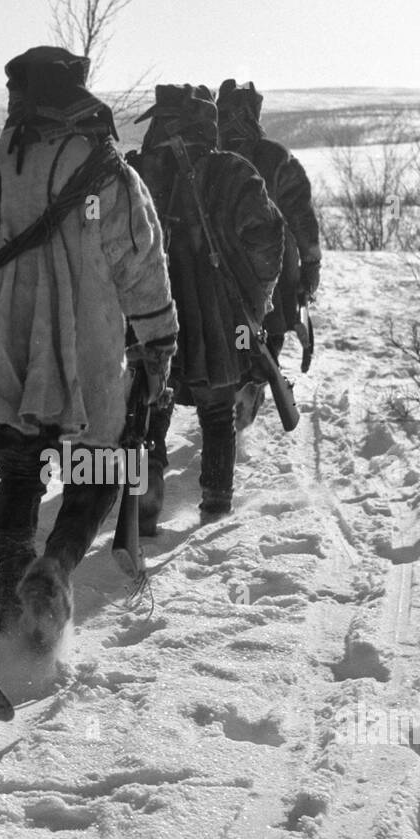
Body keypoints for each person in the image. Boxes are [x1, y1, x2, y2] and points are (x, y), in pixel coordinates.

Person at [0, 46, 175, 653]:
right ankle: (55, 566)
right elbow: (139, 261)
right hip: (87, 357)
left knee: (19, 468)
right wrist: (158, 340)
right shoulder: (106, 172)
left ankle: (11, 592)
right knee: (102, 464)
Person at [125, 85, 284, 532]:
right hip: (218, 315)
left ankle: (149, 487)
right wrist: (255, 300)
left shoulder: (135, 172)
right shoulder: (234, 171)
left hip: (149, 311)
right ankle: (214, 508)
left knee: (150, 406)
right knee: (217, 413)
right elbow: (268, 239)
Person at [217, 79, 321, 430]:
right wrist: (311, 264)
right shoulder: (276, 158)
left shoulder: (205, 157)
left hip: (216, 273)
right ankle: (249, 390)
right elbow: (302, 218)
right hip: (272, 273)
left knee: (231, 339)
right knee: (267, 338)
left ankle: (238, 396)